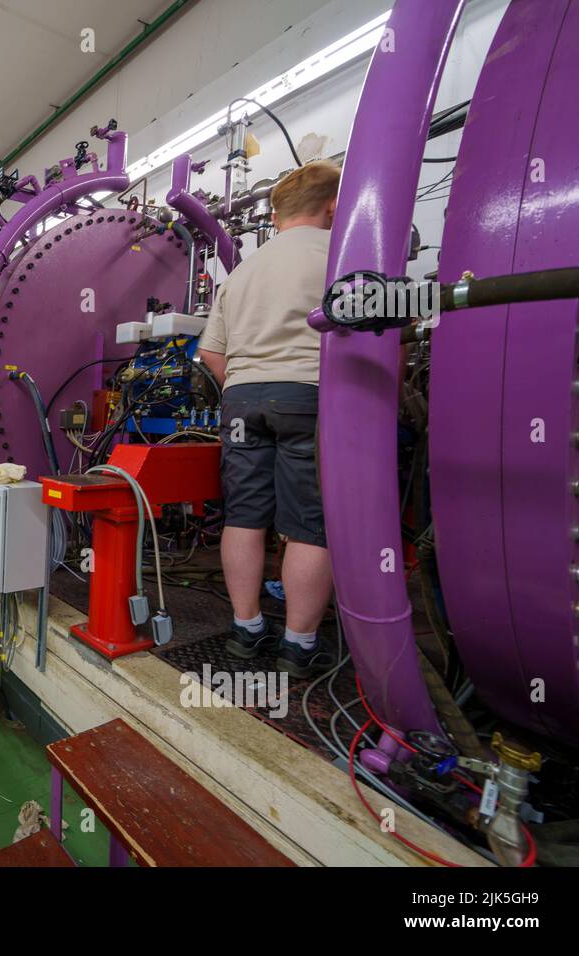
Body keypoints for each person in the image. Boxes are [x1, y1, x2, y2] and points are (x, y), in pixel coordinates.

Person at [196, 160, 340, 678]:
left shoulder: (241, 272)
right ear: (331, 207)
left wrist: (247, 379)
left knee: (244, 515)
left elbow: (211, 353)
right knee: (308, 524)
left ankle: (245, 629)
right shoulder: (342, 255)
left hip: (242, 401)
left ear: (275, 215)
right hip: (308, 398)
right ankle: (299, 645)